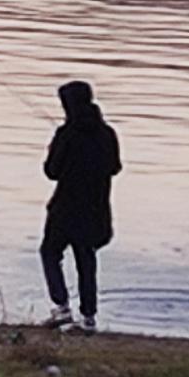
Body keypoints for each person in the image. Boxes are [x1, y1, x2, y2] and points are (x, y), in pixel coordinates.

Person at [40, 79, 121, 333]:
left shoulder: (66, 134)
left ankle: (62, 308)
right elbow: (115, 167)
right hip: (95, 209)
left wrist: (54, 149)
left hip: (64, 209)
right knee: (86, 261)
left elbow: (51, 172)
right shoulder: (107, 133)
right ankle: (89, 319)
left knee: (50, 253)